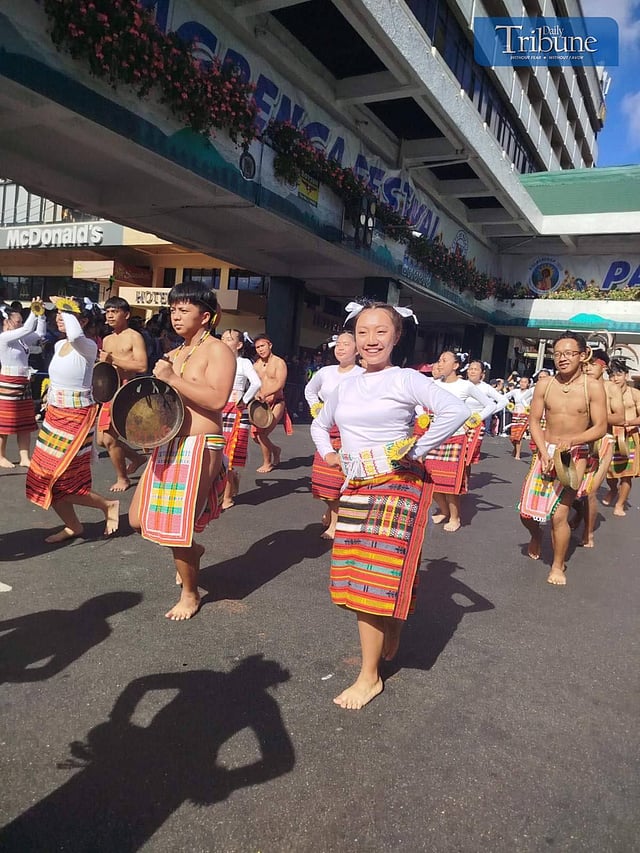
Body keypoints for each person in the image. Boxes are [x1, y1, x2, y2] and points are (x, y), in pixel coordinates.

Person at [310, 302, 468, 710]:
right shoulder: (344, 384)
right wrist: (329, 455)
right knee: (357, 572)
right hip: (357, 484)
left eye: (381, 331)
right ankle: (392, 623)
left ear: (396, 337)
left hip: (398, 485)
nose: (371, 340)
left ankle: (369, 677)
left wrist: (415, 449)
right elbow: (319, 423)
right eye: (363, 332)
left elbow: (456, 410)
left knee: (370, 574)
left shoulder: (406, 380)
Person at [128, 283, 235, 621]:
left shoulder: (218, 351)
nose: (176, 315)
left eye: (184, 309)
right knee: (137, 518)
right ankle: (192, 552)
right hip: (169, 443)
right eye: (173, 309)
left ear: (206, 316)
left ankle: (190, 593)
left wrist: (173, 378)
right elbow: (163, 404)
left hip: (200, 444)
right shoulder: (173, 353)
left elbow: (217, 400)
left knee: (179, 526)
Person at [25, 296, 120, 544]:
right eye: (57, 313)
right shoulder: (59, 346)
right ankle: (73, 525)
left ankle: (108, 505)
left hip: (76, 417)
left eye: (65, 313)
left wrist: (66, 306)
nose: (59, 316)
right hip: (54, 416)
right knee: (43, 477)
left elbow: (76, 335)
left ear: (83, 320)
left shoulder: (86, 345)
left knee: (64, 478)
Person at [518, 332, 607, 585]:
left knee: (559, 514)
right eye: (557, 354)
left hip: (574, 454)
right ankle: (536, 536)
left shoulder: (593, 386)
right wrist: (544, 451)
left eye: (568, 353)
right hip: (545, 450)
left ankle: (558, 565)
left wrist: (574, 440)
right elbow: (534, 421)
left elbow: (600, 427)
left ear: (582, 355)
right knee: (526, 514)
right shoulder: (545, 384)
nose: (562, 359)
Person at [424, 350, 494, 532]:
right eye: (439, 360)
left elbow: (491, 404)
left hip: (455, 437)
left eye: (444, 361)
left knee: (449, 483)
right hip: (434, 437)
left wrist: (474, 420)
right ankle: (444, 510)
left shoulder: (465, 386)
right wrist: (421, 416)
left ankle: (455, 517)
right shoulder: (432, 384)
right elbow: (417, 401)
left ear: (455, 365)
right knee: (430, 480)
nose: (439, 364)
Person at [304, 331, 364, 538]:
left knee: (339, 479)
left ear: (357, 350)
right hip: (326, 431)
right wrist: (316, 408)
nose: (340, 348)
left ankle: (335, 523)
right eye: (338, 344)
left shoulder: (362, 374)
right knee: (323, 479)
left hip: (348, 432)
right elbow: (309, 390)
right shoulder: (325, 372)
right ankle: (331, 509)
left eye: (346, 344)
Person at [571, 350, 624, 546]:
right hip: (579, 441)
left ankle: (588, 534)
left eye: (593, 364)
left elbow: (619, 417)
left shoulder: (611, 388)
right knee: (571, 487)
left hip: (603, 441)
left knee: (590, 490)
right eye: (586, 364)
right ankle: (578, 515)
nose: (588, 367)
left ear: (603, 366)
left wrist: (596, 415)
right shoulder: (580, 385)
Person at [95, 297, 148, 491]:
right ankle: (137, 457)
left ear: (126, 314)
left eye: (114, 311)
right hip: (108, 391)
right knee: (101, 441)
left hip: (126, 390)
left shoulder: (134, 336)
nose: (109, 315)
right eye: (107, 311)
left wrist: (113, 359)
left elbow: (142, 366)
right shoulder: (107, 339)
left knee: (109, 439)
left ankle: (122, 478)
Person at [0, 300, 46, 467]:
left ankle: (24, 457)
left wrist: (41, 315)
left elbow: (39, 333)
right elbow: (28, 329)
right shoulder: (4, 338)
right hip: (8, 382)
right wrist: (34, 311)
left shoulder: (21, 340)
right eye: (18, 321)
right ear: (7, 322)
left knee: (25, 423)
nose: (21, 324)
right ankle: (0, 456)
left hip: (23, 382)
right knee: (3, 424)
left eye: (21, 321)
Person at [220, 329, 262, 510]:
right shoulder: (216, 360)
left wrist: (244, 400)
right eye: (222, 338)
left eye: (229, 339)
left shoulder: (243, 362)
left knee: (228, 455)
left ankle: (227, 496)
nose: (225, 341)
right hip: (218, 409)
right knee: (216, 453)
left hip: (235, 410)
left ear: (239, 345)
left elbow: (257, 383)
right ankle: (223, 489)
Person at [603, 359, 640, 516]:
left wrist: (629, 422)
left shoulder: (635, 394)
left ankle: (620, 504)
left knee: (627, 475)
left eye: (619, 374)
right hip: (611, 435)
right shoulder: (605, 393)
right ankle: (612, 489)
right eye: (612, 375)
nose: (615, 378)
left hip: (630, 436)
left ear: (626, 375)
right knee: (609, 472)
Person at [252, 334, 292, 473]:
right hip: (260, 404)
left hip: (277, 402)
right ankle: (275, 449)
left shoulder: (279, 362)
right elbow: (253, 384)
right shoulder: (256, 364)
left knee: (261, 434)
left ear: (270, 345)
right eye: (257, 347)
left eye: (262, 346)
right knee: (256, 437)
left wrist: (266, 393)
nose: (260, 349)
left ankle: (267, 463)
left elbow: (280, 384)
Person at [503, 376, 534, 460]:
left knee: (519, 435)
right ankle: (515, 448)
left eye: (525, 382)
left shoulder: (530, 392)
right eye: (521, 382)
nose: (523, 384)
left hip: (524, 415)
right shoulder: (515, 391)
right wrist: (509, 405)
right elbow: (504, 397)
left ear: (528, 384)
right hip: (515, 414)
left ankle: (518, 454)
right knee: (512, 436)